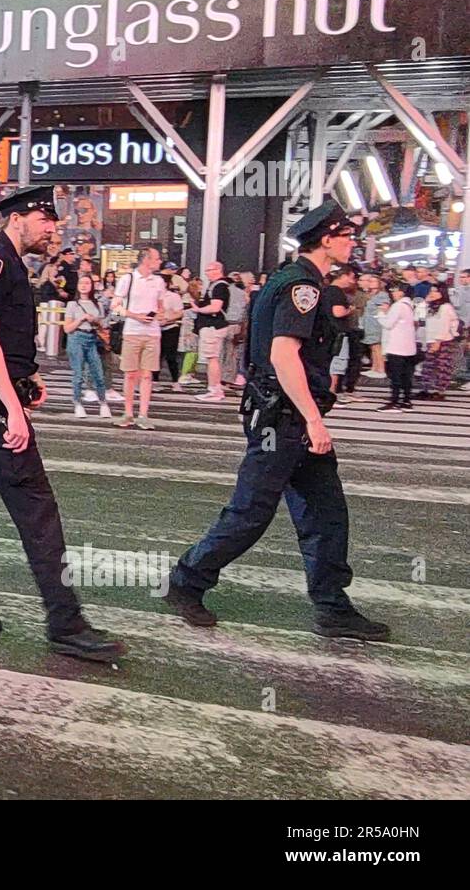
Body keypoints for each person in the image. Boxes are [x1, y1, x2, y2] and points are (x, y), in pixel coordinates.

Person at [165, 200, 389, 641]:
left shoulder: (299, 281)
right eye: (347, 236)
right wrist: (313, 420)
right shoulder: (302, 287)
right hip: (283, 420)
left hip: (288, 418)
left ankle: (332, 606)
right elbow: (283, 355)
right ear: (327, 239)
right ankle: (187, 581)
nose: (351, 244)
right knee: (251, 512)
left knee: (326, 513)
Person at [0, 185, 123, 663]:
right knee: (38, 512)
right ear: (17, 219)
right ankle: (66, 623)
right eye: (45, 220)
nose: (53, 229)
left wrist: (29, 373)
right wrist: (13, 408)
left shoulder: (12, 262)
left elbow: (7, 338)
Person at [111, 247, 166, 429]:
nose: (160, 262)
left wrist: (159, 313)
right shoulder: (128, 279)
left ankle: (143, 414)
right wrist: (134, 315)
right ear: (146, 260)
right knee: (130, 374)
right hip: (132, 331)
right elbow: (115, 306)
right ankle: (128, 413)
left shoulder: (158, 281)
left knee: (147, 375)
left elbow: (160, 305)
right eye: (157, 259)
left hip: (152, 333)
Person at [63, 274, 112, 419]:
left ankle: (103, 403)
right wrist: (81, 318)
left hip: (92, 338)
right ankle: (78, 403)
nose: (84, 286)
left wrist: (95, 320)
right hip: (76, 338)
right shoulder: (72, 304)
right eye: (81, 283)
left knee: (98, 373)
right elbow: (67, 328)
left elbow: (103, 325)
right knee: (78, 374)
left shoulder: (98, 304)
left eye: (87, 283)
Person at [192, 261, 232, 402]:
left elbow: (215, 307)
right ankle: (214, 388)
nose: (207, 273)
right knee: (213, 359)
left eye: (209, 270)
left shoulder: (219, 286)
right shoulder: (220, 286)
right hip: (215, 325)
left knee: (212, 358)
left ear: (218, 270)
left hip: (213, 326)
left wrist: (198, 310)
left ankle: (215, 390)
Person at [376, 282, 417, 410]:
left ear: (402, 292)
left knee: (395, 376)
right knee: (406, 375)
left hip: (396, 346)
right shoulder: (410, 305)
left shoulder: (398, 306)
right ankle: (406, 400)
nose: (393, 293)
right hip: (409, 346)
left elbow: (388, 324)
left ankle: (394, 401)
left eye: (395, 290)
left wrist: (381, 314)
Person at [415, 283, 459, 400]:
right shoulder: (431, 306)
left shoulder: (445, 307)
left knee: (442, 366)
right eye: (431, 291)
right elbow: (418, 315)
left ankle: (439, 391)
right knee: (428, 366)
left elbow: (444, 325)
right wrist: (425, 301)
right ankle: (426, 389)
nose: (432, 294)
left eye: (436, 291)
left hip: (443, 341)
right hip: (431, 340)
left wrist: (438, 341)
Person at [322, 265, 358, 403]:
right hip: (339, 332)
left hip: (329, 332)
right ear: (343, 276)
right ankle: (331, 394)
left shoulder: (327, 291)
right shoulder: (337, 292)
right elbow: (338, 312)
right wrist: (350, 310)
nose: (352, 281)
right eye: (351, 277)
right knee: (337, 364)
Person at [155, 265, 185, 384]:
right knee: (156, 356)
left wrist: (167, 319)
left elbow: (179, 312)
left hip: (171, 328)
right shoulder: (152, 296)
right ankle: (155, 380)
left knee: (171, 356)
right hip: (155, 328)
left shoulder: (174, 296)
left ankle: (175, 381)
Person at [361, 272, 388, 379]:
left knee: (377, 347)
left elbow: (385, 308)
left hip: (376, 324)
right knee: (372, 346)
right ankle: (374, 367)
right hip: (368, 324)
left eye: (372, 281)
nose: (369, 283)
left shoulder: (382, 295)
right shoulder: (370, 295)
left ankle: (381, 369)